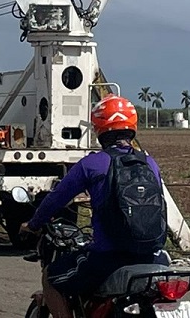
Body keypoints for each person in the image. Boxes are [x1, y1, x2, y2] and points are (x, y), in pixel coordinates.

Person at [21, 95, 169, 318]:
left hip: (107, 258)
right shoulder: (149, 162)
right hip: (153, 255)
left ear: (99, 127)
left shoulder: (92, 164)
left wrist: (33, 225)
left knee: (52, 278)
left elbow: (56, 199)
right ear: (132, 126)